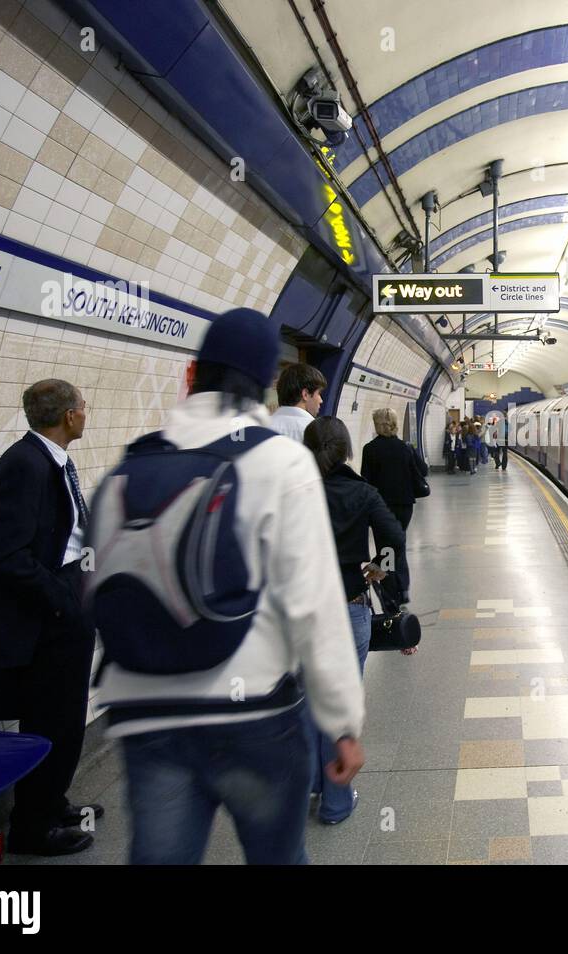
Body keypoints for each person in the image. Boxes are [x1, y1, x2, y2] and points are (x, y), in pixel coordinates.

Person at [93, 308, 365, 865]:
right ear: (265, 386)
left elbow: (96, 586)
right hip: (252, 717)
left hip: (145, 718)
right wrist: (342, 723)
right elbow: (315, 606)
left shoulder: (131, 463)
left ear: (191, 376)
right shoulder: (281, 461)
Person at [0, 379, 100, 856]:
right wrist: (64, 597)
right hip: (47, 619)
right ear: (68, 416)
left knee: (65, 717)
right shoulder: (26, 465)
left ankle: (52, 800)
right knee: (48, 720)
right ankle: (32, 826)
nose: (86, 413)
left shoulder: (53, 461)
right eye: (83, 406)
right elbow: (7, 555)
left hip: (65, 606)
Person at [303, 416, 409, 824]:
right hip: (347, 607)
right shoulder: (361, 492)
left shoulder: (292, 491)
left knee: (305, 699)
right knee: (339, 702)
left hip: (300, 611)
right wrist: (380, 567)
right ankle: (335, 801)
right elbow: (394, 536)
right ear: (348, 450)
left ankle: (312, 781)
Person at [360, 407, 427, 604]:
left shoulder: (370, 449)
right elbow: (423, 470)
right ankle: (402, 587)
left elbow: (366, 481)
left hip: (381, 508)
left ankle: (392, 589)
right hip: (405, 506)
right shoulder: (405, 448)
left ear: (376, 425)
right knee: (398, 544)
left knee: (385, 548)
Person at [268, 363, 326, 441]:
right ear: (305, 394)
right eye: (319, 393)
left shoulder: (258, 427)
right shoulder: (321, 432)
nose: (321, 400)